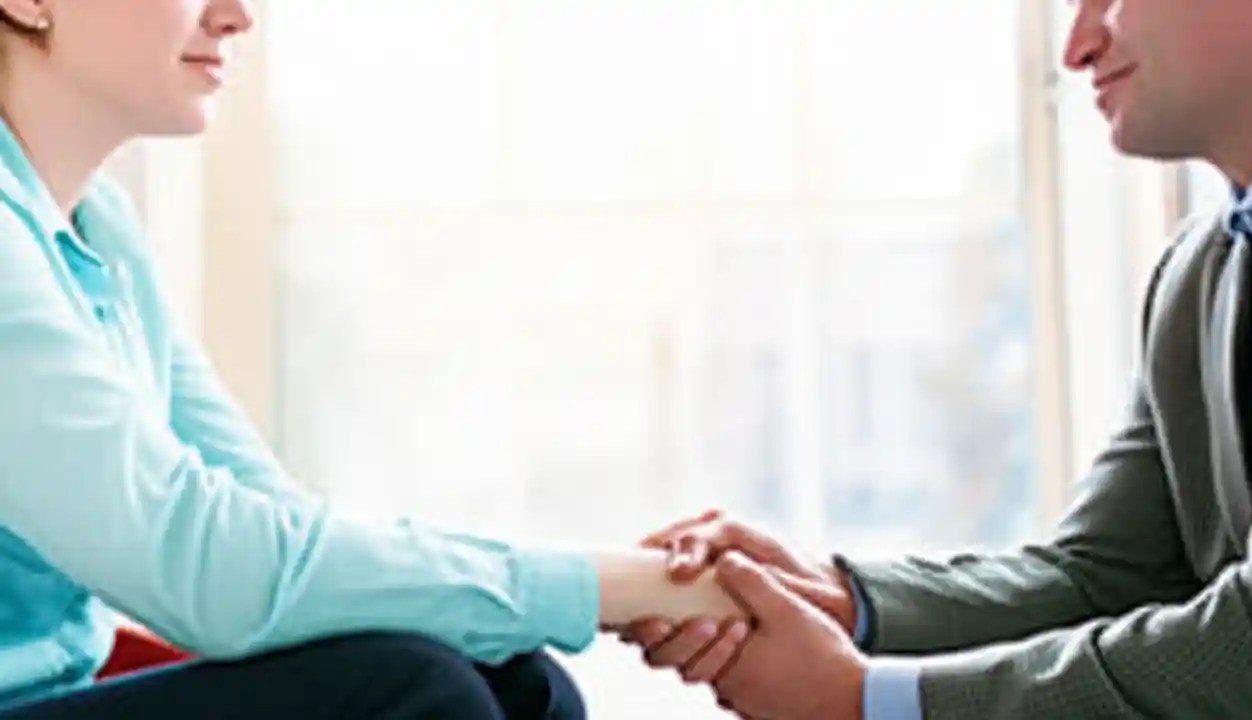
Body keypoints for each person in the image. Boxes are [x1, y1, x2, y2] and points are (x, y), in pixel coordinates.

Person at [0, 1, 746, 718]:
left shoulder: (103, 229)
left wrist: (635, 584)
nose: (236, 14)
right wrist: (627, 587)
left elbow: (271, 519)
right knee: (411, 691)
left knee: (515, 679)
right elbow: (203, 568)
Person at [628, 0, 1252, 717]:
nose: (1077, 46)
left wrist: (864, 700)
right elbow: (1108, 577)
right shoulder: (1200, 272)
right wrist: (839, 601)